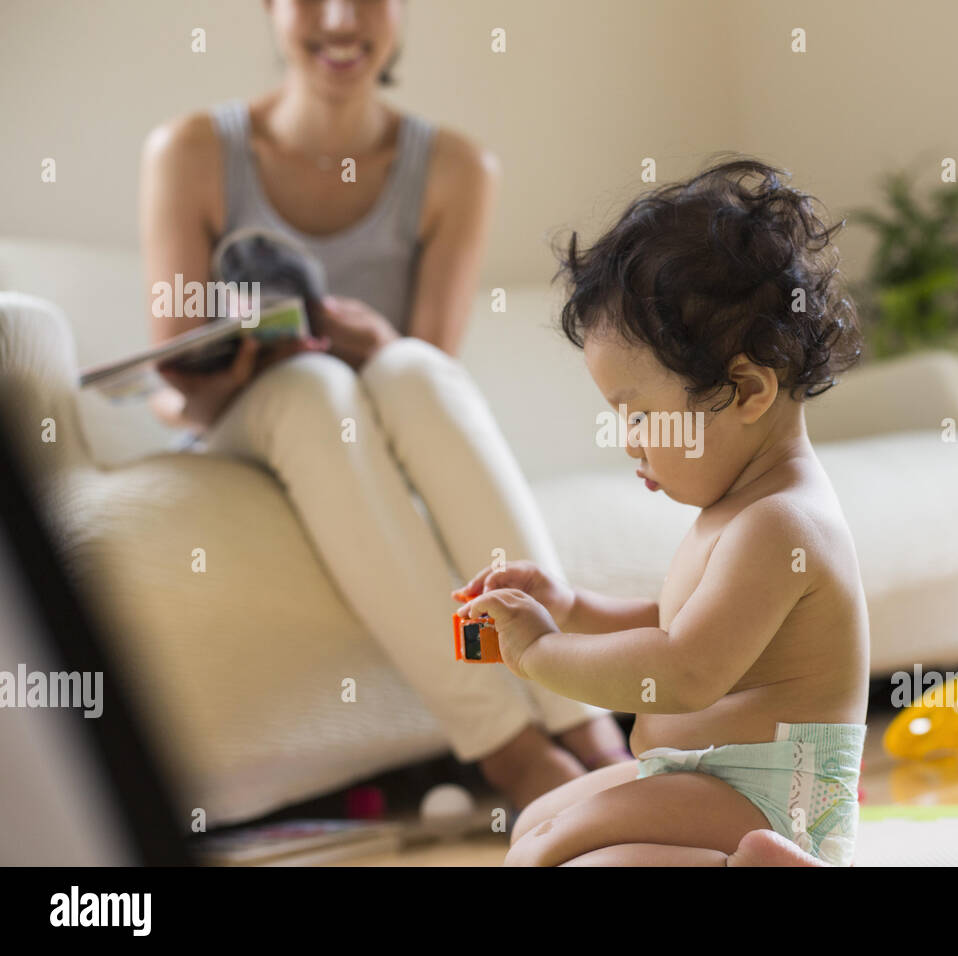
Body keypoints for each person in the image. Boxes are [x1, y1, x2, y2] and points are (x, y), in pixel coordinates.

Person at [138, 0, 628, 812]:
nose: (338, 16)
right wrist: (261, 355)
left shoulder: (456, 168)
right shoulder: (191, 150)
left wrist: (369, 340)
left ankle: (584, 725)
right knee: (312, 387)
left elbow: (430, 369)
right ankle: (508, 753)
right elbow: (179, 373)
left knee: (410, 369)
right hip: (243, 420)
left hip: (374, 417)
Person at [456, 159, 871, 865]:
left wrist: (540, 654)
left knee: (560, 855)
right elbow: (674, 626)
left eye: (640, 415)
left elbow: (684, 671)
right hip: (709, 782)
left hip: (778, 801)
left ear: (746, 391)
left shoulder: (782, 524)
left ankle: (789, 860)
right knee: (536, 830)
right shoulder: (739, 506)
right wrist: (569, 605)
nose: (629, 443)